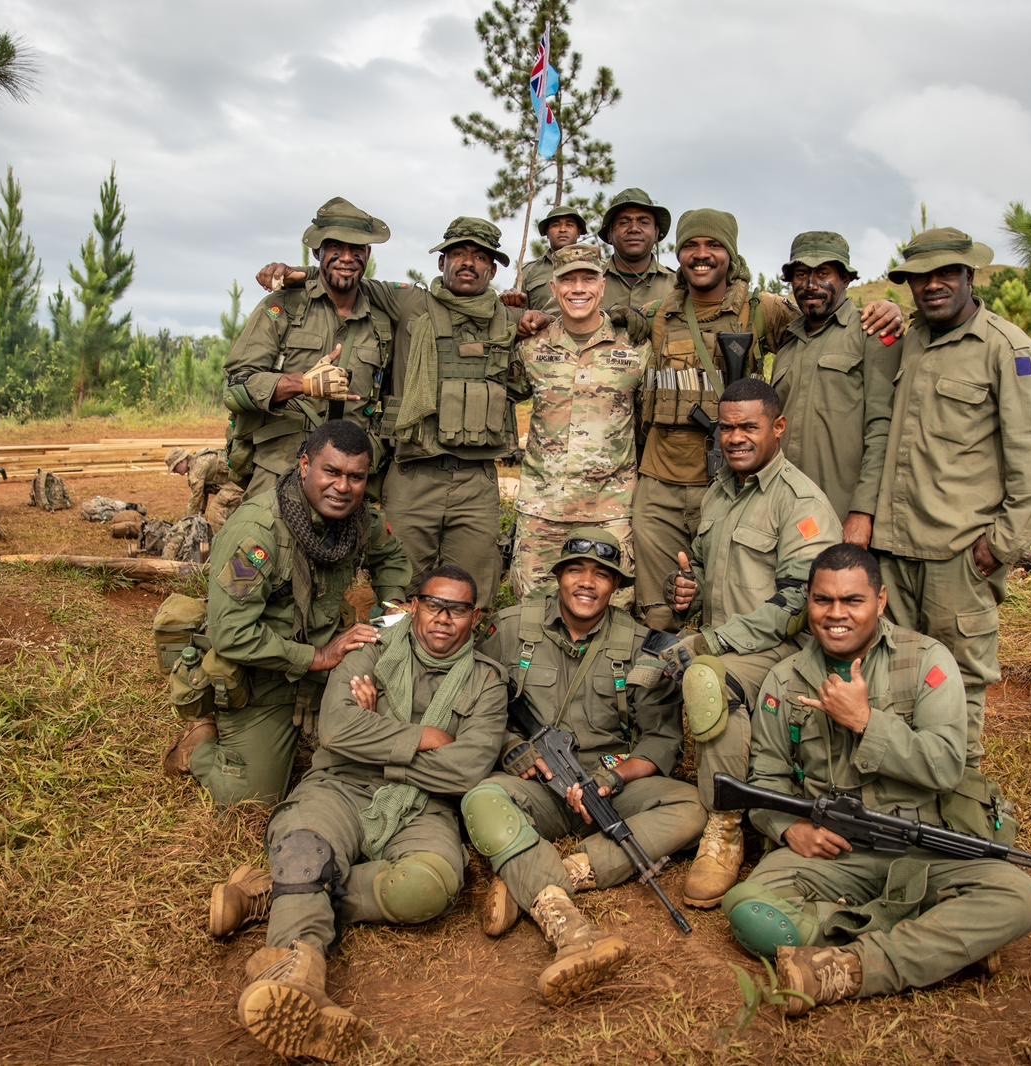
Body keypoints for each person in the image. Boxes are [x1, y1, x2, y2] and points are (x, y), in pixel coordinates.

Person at [720, 544, 1031, 1012]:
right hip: (837, 855)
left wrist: (866, 722)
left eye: (853, 600)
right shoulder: (784, 680)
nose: (836, 614)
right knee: (749, 908)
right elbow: (767, 775)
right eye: (823, 600)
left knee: (1017, 897)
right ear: (808, 601)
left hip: (924, 847)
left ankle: (853, 967)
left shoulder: (927, 661)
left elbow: (947, 764)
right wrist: (789, 828)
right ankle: (939, 940)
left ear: (881, 601)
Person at [236, 564, 507, 1062]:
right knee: (306, 845)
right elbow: (337, 731)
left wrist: (376, 731)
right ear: (414, 606)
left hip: (423, 805)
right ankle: (299, 975)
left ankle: (279, 892)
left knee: (428, 886)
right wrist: (423, 738)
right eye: (434, 605)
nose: (443, 618)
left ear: (475, 617)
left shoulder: (487, 682)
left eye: (458, 609)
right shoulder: (369, 649)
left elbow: (467, 770)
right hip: (341, 785)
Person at [253, 218, 551, 608]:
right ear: (442, 262)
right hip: (413, 475)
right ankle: (397, 647)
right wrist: (292, 272)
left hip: (476, 482)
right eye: (459, 254)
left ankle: (467, 649)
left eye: (480, 257)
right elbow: (349, 278)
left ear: (493, 270)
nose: (468, 263)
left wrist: (539, 317)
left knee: (474, 591)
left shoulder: (509, 320)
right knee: (401, 587)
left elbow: (565, 322)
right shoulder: (410, 302)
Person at [628, 211, 903, 631]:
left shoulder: (767, 312)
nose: (702, 254)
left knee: (753, 602)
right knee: (667, 606)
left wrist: (890, 309)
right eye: (691, 246)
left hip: (737, 484)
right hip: (663, 481)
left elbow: (835, 325)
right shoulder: (656, 315)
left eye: (714, 245)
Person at [463, 529, 704, 1002]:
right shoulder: (511, 629)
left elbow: (660, 741)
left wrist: (613, 778)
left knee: (692, 806)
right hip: (537, 787)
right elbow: (474, 701)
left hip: (605, 787)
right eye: (576, 570)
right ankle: (564, 921)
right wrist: (509, 745)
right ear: (558, 576)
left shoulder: (641, 645)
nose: (587, 583)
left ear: (616, 586)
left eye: (602, 575)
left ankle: (559, 873)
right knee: (481, 797)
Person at [872, 228, 1031, 766]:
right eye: (920, 277)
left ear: (969, 276)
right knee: (896, 673)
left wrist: (998, 547)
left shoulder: (1007, 350)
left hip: (958, 554)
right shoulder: (909, 340)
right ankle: (904, 780)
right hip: (895, 549)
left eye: (945, 274)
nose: (932, 285)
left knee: (958, 678)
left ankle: (960, 785)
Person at [169, 419, 410, 810]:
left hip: (329, 662)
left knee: (393, 733)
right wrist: (317, 657)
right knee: (250, 801)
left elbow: (391, 558)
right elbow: (232, 633)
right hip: (265, 677)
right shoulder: (258, 533)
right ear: (305, 465)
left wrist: (392, 608)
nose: (343, 487)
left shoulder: (360, 519)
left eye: (356, 477)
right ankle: (199, 744)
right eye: (331, 472)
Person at [661, 378, 839, 907]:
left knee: (707, 678)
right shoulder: (719, 491)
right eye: (726, 427)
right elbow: (702, 570)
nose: (735, 438)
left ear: (777, 428)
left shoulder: (800, 502)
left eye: (748, 427)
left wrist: (711, 642)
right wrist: (687, 590)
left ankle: (725, 826)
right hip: (730, 644)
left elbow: (796, 607)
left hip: (785, 653)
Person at [223, 197, 394, 496]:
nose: (347, 258)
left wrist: (374, 451)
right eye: (336, 247)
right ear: (318, 252)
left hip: (349, 479)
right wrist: (302, 384)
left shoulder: (381, 322)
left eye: (357, 249)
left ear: (367, 254)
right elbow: (235, 389)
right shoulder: (282, 308)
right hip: (281, 469)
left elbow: (391, 401)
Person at [509, 243, 647, 605]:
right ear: (553, 288)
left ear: (603, 285)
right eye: (568, 280)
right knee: (534, 612)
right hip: (542, 511)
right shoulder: (532, 346)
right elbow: (501, 391)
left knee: (612, 610)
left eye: (588, 279)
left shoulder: (635, 346)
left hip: (610, 511)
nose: (578, 289)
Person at [772, 232, 900, 549]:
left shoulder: (871, 332)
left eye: (823, 273)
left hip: (840, 512)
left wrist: (863, 511)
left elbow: (882, 429)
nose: (810, 284)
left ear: (845, 278)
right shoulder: (787, 342)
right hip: (785, 511)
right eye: (801, 274)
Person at [595, 187, 677, 314]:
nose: (634, 229)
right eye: (624, 222)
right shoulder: (588, 282)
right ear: (609, 234)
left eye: (644, 222)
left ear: (656, 233)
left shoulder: (678, 286)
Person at [508, 203, 587, 313]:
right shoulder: (529, 271)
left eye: (569, 225)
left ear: (578, 232)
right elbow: (517, 313)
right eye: (555, 225)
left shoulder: (597, 266)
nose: (562, 229)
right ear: (547, 233)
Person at [165, 446, 241, 529]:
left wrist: (186, 522)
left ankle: (221, 537)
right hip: (236, 484)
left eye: (175, 468)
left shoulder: (197, 469)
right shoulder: (197, 460)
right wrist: (200, 512)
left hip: (235, 486)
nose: (174, 472)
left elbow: (196, 498)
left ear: (181, 461)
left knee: (214, 514)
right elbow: (202, 494)